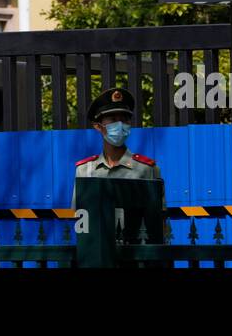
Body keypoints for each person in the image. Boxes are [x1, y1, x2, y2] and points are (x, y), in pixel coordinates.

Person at [72, 87, 168, 240]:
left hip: (136, 254)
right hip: (98, 254)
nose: (120, 124)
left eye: (125, 119)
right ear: (98, 125)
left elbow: (158, 220)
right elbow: (81, 220)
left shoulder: (147, 169)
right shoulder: (85, 170)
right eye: (113, 119)